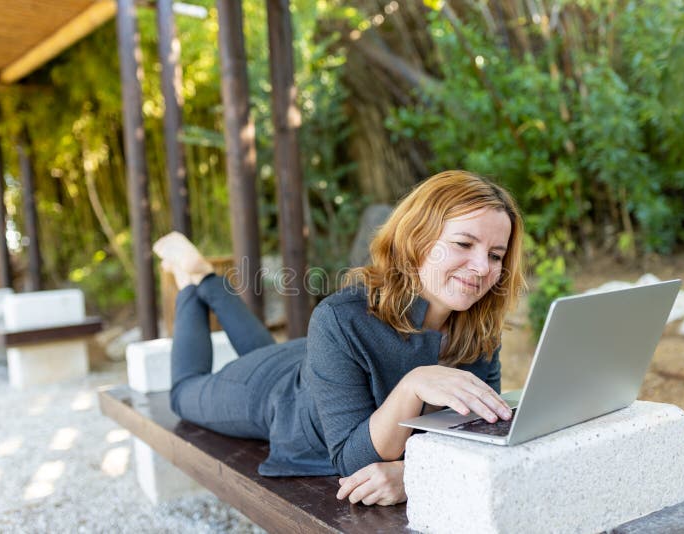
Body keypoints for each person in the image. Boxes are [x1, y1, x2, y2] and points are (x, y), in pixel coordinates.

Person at [153, 170, 525, 507]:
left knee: (266, 350)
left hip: (320, 364)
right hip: (277, 395)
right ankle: (194, 280)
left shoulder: (479, 328)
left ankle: (204, 279)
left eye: (495, 255)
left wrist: (411, 475)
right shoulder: (342, 316)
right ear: (418, 239)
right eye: (463, 244)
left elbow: (480, 437)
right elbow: (353, 460)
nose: (482, 268)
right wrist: (413, 385)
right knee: (184, 393)